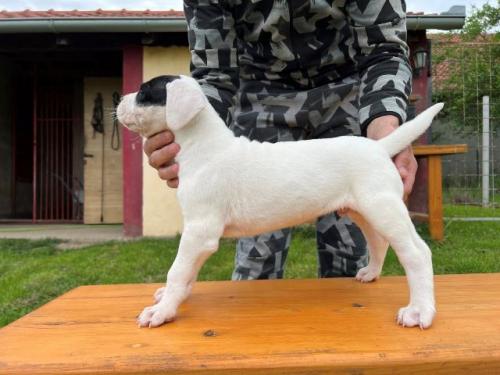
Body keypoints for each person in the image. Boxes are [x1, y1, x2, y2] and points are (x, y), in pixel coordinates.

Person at [144, 0, 417, 280]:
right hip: (260, 101)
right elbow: (214, 72)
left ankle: (355, 318)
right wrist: (189, 140)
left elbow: (384, 49)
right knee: (257, 259)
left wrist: (386, 124)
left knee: (349, 255)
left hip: (347, 94)